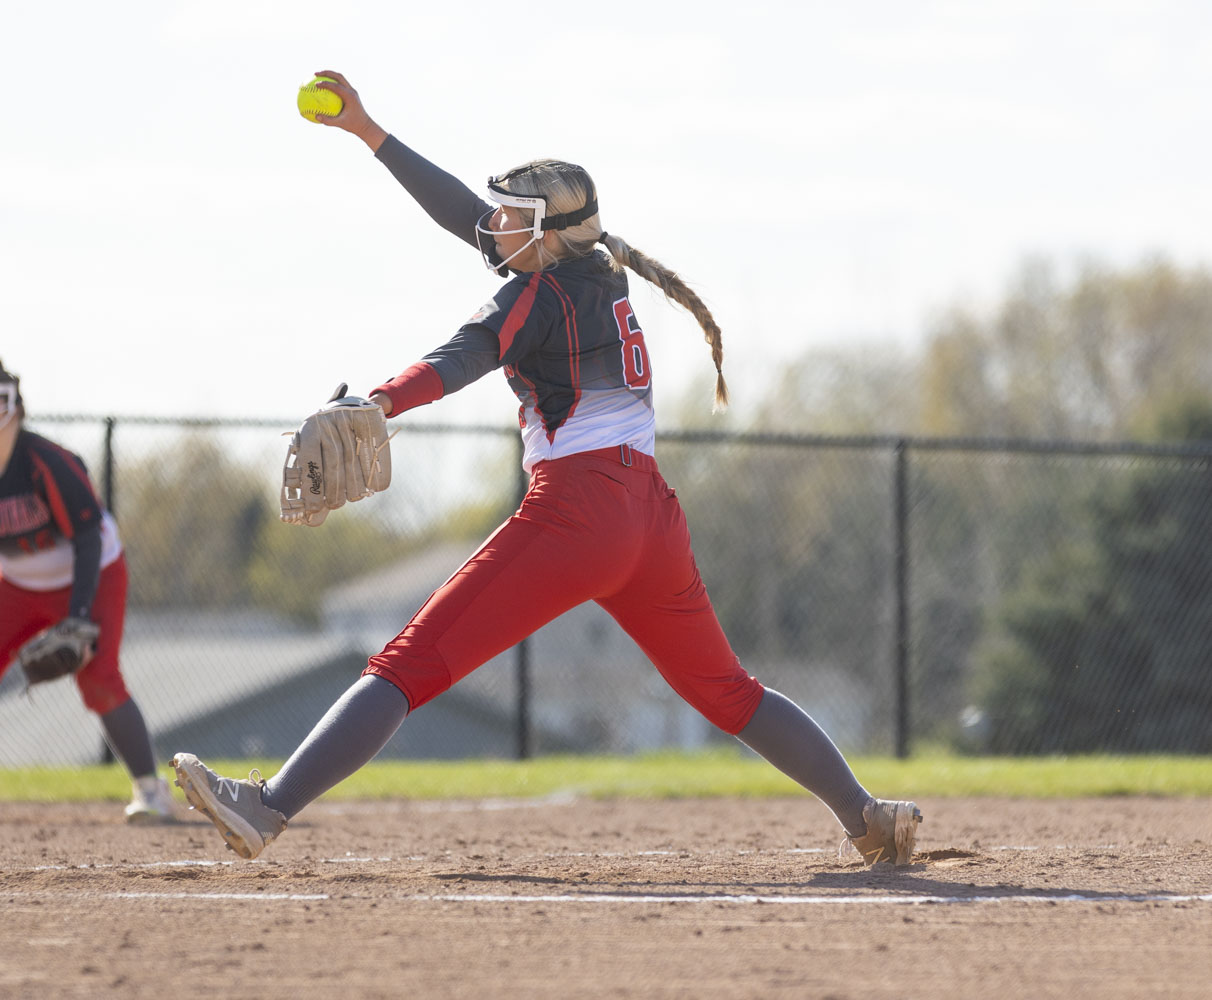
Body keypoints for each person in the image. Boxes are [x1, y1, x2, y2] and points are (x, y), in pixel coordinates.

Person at [170, 71, 922, 866]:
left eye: (510, 215)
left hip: (578, 512)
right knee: (729, 693)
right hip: (649, 515)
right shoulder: (598, 270)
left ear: (545, 233)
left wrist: (381, 404)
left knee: (408, 663)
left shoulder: (531, 294)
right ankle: (868, 818)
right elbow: (469, 219)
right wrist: (371, 133)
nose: (493, 223)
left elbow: (460, 356)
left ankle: (270, 807)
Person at [0, 354, 176, 824]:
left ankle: (151, 792)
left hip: (89, 573)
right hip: (15, 581)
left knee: (99, 677)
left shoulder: (47, 462)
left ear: (13, 408)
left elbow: (86, 539)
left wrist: (78, 615)